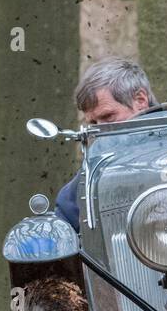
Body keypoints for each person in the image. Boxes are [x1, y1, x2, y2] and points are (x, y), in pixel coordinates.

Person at [55, 57, 157, 231]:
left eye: (108, 117)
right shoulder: (98, 160)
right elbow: (65, 215)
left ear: (140, 100)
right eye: (94, 123)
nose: (101, 131)